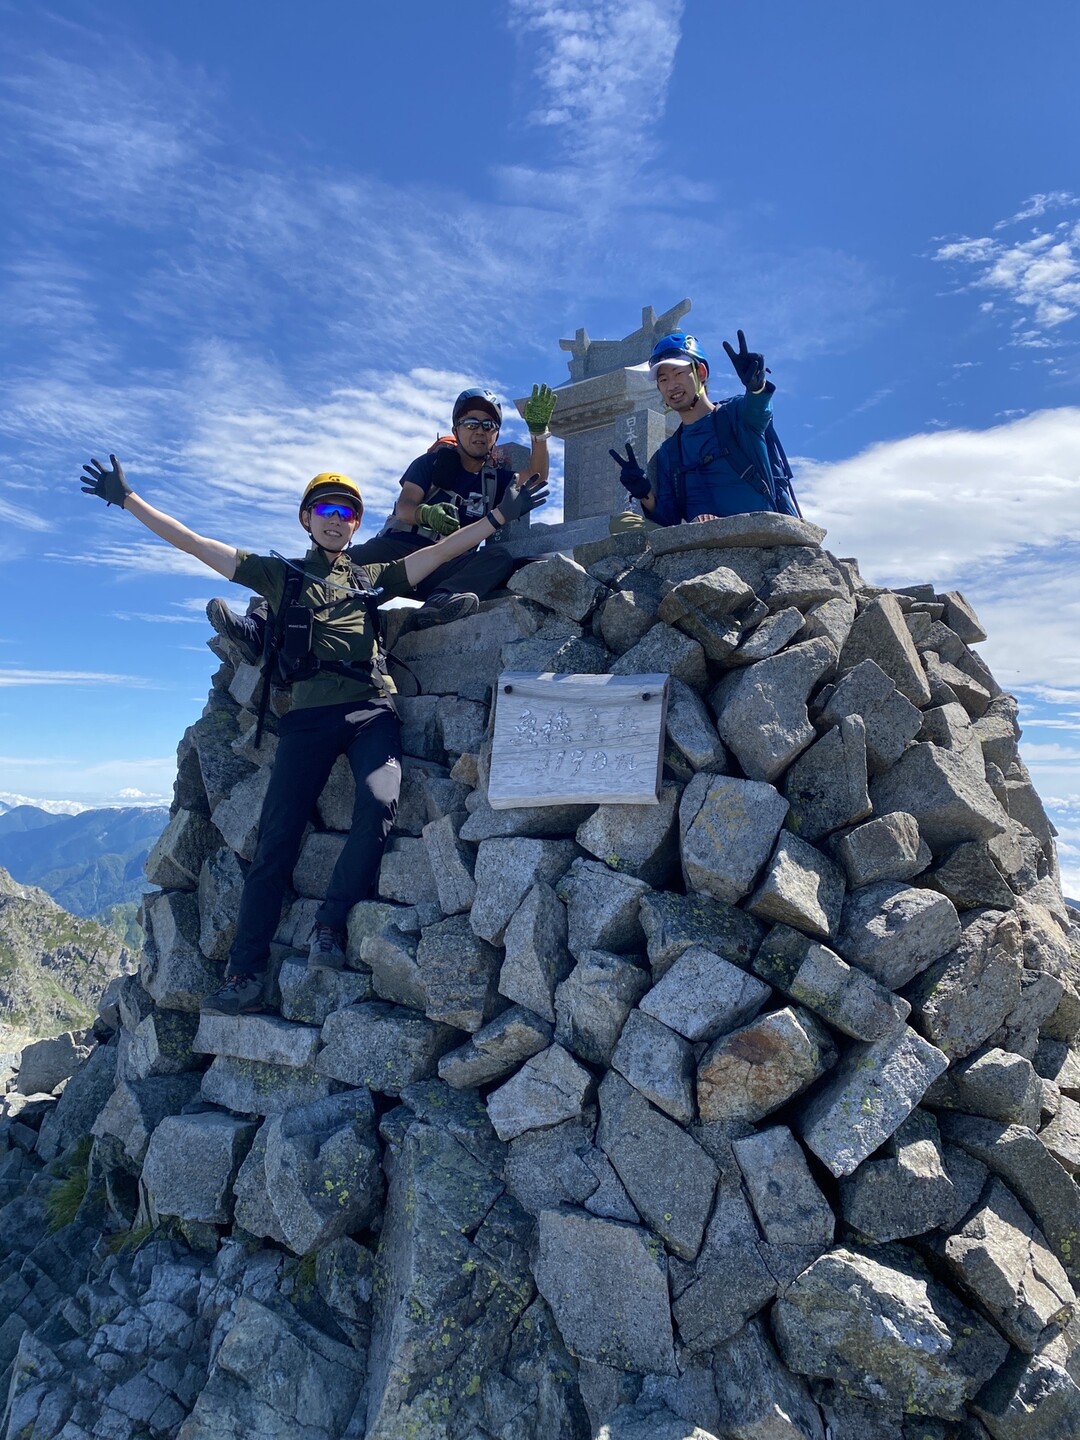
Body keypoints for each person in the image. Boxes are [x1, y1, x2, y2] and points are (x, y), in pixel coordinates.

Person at [79, 455, 547, 1015]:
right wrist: (129, 500)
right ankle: (244, 974)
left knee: (379, 804)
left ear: (356, 524)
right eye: (325, 509)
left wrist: (499, 518)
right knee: (275, 841)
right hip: (306, 719)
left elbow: (440, 552)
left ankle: (329, 923)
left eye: (347, 512)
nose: (336, 519)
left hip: (372, 711)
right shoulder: (281, 575)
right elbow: (197, 544)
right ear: (306, 518)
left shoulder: (370, 576)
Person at [205, 382, 558, 656]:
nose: (479, 430)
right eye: (471, 423)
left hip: (445, 567)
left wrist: (539, 434)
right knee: (326, 570)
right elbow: (405, 506)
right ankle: (258, 627)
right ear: (457, 426)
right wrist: (427, 513)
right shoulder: (431, 463)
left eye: (488, 425)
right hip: (394, 553)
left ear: (495, 434)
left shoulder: (494, 479)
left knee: (497, 557)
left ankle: (439, 606)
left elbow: (535, 478)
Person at [609, 330, 797, 528]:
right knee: (623, 524)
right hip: (699, 539)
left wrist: (757, 387)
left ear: (701, 373)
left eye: (678, 373)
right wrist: (644, 493)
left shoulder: (735, 414)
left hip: (757, 530)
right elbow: (668, 520)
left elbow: (758, 410)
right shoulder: (670, 452)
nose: (671, 386)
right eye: (663, 380)